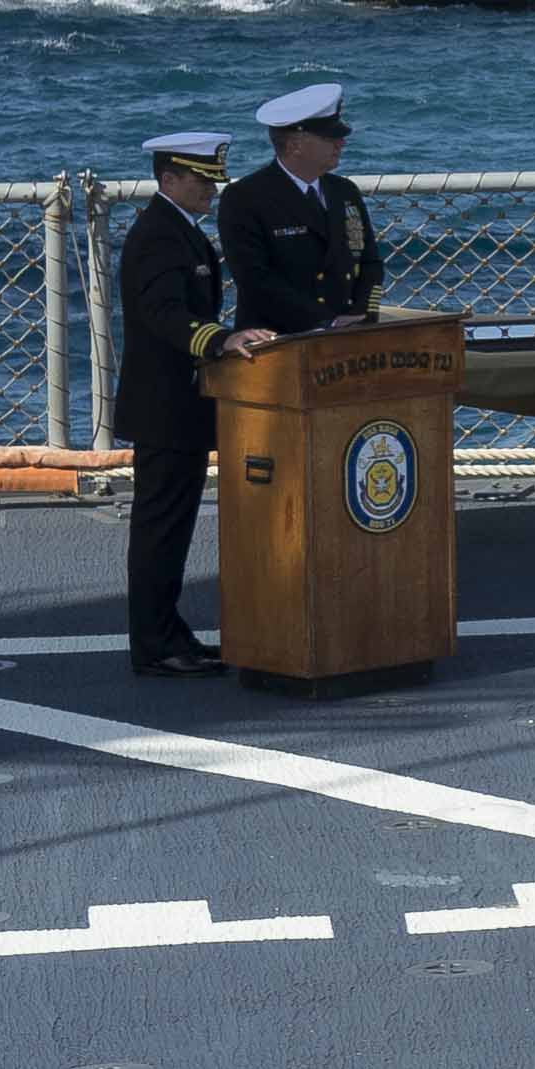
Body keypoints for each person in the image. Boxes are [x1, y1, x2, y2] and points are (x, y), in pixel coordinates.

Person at [112, 125, 254, 677]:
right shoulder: (158, 237)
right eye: (201, 181)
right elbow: (165, 314)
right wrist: (219, 340)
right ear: (168, 178)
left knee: (172, 527)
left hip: (182, 406)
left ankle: (170, 633)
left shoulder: (181, 231)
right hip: (164, 406)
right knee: (160, 529)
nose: (211, 191)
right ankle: (154, 644)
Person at [218, 79, 384, 333]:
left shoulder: (344, 191)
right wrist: (325, 321)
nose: (341, 143)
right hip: (279, 340)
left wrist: (361, 312)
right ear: (295, 145)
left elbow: (370, 262)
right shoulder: (245, 198)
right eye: (330, 138)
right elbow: (255, 280)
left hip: (347, 332)